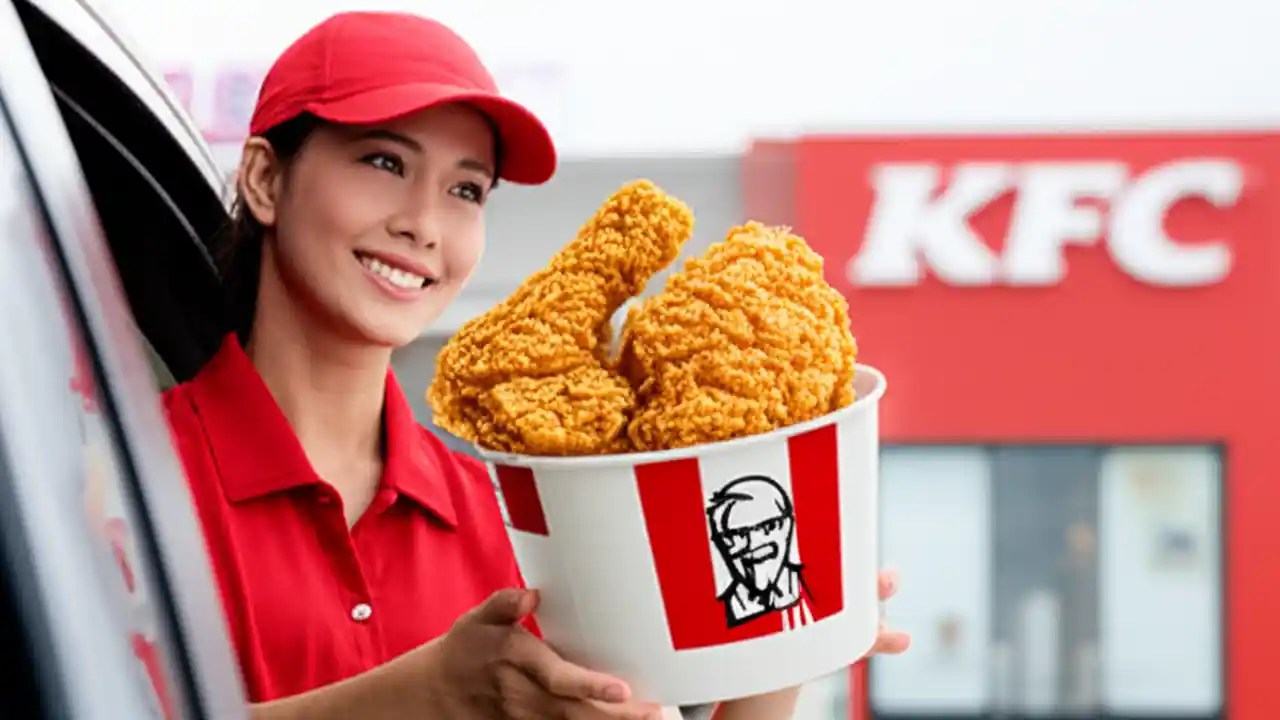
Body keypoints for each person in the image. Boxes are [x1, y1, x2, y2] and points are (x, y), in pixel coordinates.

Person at [163, 10, 910, 720]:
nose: (423, 223)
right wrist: (428, 698)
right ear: (264, 179)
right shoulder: (122, 479)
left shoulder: (528, 519)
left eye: (465, 190)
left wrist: (781, 645)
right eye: (384, 161)